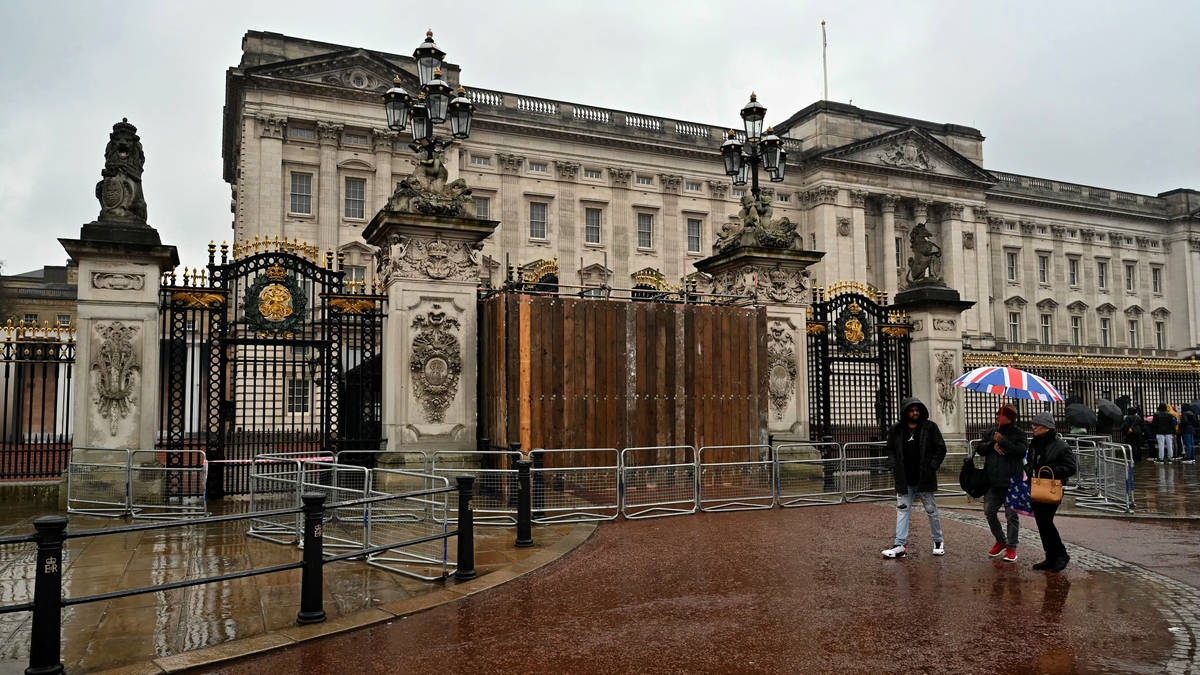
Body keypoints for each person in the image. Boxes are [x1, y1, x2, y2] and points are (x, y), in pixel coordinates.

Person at [881, 397, 948, 559]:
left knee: (931, 510)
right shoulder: (896, 429)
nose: (915, 413)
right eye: (911, 410)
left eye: (917, 410)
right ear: (905, 412)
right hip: (904, 477)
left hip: (924, 477)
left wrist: (932, 466)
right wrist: (893, 462)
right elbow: (889, 448)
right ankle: (899, 545)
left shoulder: (930, 427)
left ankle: (938, 541)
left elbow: (941, 448)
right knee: (902, 511)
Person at [1025, 411, 1077, 571]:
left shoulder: (1061, 445)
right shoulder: (1035, 443)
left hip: (1052, 488)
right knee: (1041, 523)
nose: (1033, 427)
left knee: (1046, 521)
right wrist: (1029, 468)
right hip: (1037, 486)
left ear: (1046, 427)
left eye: (1037, 425)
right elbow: (1031, 461)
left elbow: (1071, 467)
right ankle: (1050, 556)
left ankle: (1061, 555)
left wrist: (1051, 470)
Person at [976, 403, 1028, 562]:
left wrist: (1004, 441)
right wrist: (993, 444)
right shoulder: (991, 431)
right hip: (993, 480)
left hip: (1013, 480)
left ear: (1009, 417)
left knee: (1011, 516)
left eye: (1001, 415)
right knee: (989, 511)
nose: (998, 417)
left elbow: (1021, 452)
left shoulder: (1019, 433)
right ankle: (1001, 540)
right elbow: (980, 448)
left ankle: (1012, 547)